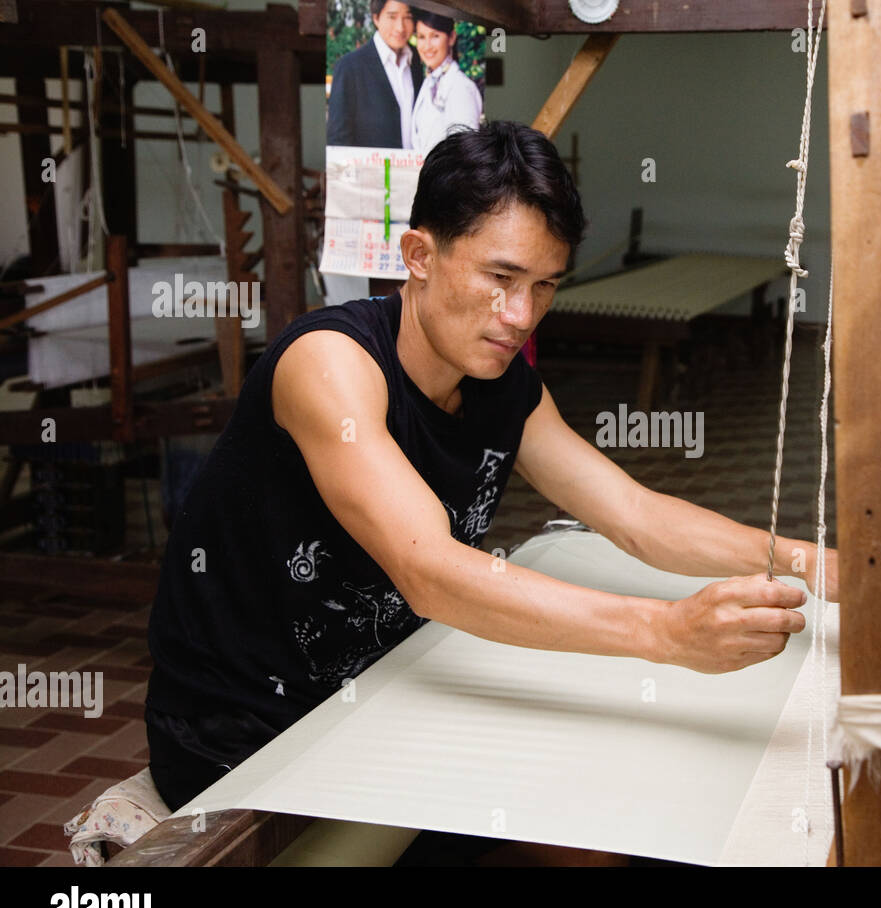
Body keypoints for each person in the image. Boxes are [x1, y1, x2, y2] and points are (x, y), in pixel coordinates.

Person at [144, 120, 839, 859]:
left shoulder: (502, 387)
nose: (520, 316)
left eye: (543, 287)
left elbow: (632, 513)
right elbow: (430, 573)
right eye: (499, 278)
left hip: (386, 693)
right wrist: (665, 633)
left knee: (608, 819)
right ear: (419, 255)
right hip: (245, 732)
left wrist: (809, 564)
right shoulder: (331, 366)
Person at [327, 0, 420, 148]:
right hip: (370, 169)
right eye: (392, 16)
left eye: (407, 17)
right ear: (376, 18)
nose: (400, 27)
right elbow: (338, 140)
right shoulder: (349, 67)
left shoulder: (417, 61)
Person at [410, 11, 483, 157]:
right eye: (421, 37)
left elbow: (465, 154)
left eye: (435, 36)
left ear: (451, 38)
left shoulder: (460, 87)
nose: (427, 46)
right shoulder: (429, 82)